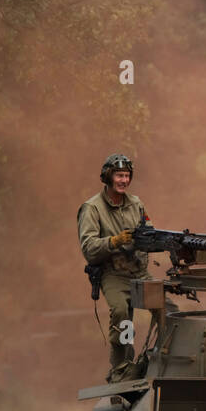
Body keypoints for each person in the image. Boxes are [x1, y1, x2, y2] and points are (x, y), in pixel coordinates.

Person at [77, 153, 156, 381]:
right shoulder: (92, 208)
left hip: (139, 271)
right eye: (119, 175)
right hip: (113, 273)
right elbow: (89, 247)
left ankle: (164, 357)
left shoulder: (136, 203)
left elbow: (148, 233)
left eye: (127, 175)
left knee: (166, 309)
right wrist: (114, 241)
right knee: (122, 314)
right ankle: (121, 367)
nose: (123, 180)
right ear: (108, 177)